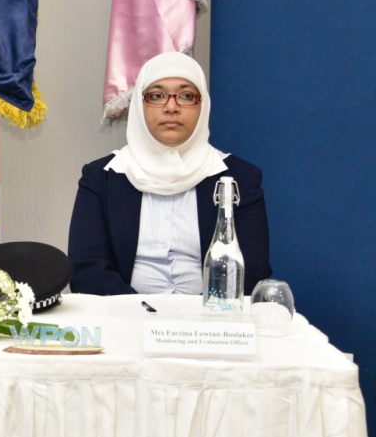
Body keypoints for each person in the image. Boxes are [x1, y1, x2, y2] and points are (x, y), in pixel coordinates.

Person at [68, 52, 272, 296]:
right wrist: (142, 313)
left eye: (186, 96)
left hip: (213, 316)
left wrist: (201, 315)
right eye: (157, 96)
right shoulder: (101, 177)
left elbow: (252, 270)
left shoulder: (240, 178)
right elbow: (88, 271)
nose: (171, 107)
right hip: (126, 314)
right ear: (139, 105)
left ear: (203, 105)